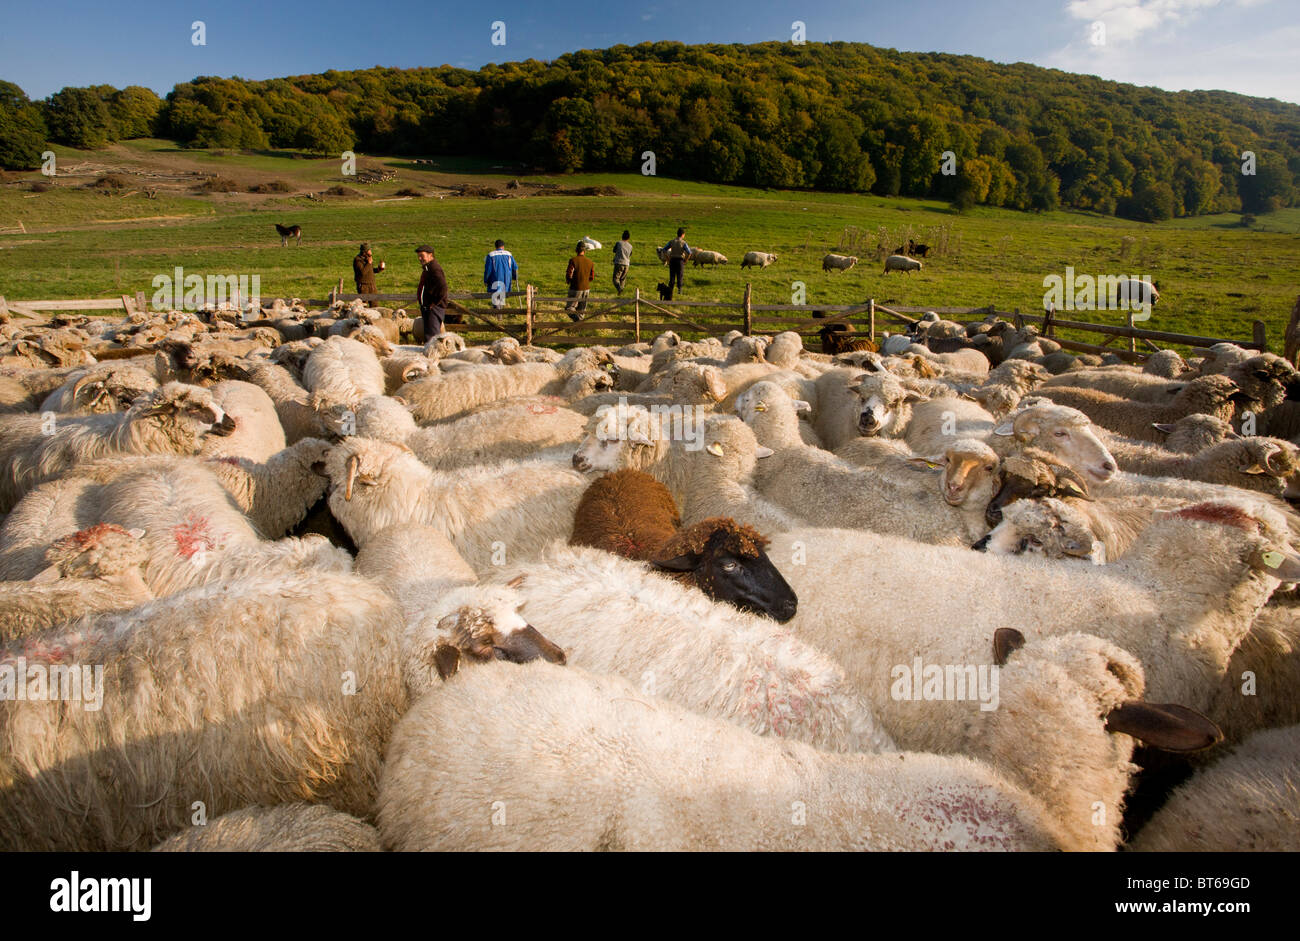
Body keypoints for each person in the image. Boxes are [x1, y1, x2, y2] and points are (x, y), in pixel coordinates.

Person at [414, 244, 449, 340]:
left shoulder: (434, 269)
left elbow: (443, 287)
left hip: (433, 308)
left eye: (422, 256)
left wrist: (434, 303)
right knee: (430, 336)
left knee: (432, 337)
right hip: (428, 307)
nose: (420, 258)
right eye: (419, 256)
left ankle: (434, 354)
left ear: (430, 255)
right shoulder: (428, 268)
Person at [564, 241, 596, 321]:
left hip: (576, 288)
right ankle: (580, 328)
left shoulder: (573, 260)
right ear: (584, 251)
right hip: (586, 289)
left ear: (576, 250)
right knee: (581, 311)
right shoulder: (590, 262)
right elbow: (592, 277)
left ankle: (578, 322)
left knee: (569, 308)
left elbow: (569, 274)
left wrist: (569, 281)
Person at [483, 239, 519, 308]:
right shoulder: (509, 254)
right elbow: (515, 267)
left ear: (495, 246)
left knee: (496, 295)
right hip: (506, 278)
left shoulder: (491, 255)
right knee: (502, 294)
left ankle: (497, 313)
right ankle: (500, 313)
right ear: (503, 246)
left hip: (495, 277)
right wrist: (515, 277)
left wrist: (486, 280)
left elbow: (488, 270)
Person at [661, 227, 691, 299]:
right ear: (683, 235)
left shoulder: (671, 242)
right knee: (680, 275)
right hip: (680, 261)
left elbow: (664, 249)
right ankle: (679, 290)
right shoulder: (684, 243)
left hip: (672, 260)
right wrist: (685, 260)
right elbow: (689, 252)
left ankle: (670, 290)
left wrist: (668, 259)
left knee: (672, 276)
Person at [611, 230, 632, 296]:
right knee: (623, 279)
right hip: (627, 264)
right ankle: (621, 291)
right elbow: (630, 254)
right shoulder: (630, 246)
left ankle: (619, 289)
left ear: (622, 236)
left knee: (615, 279)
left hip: (619, 263)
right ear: (629, 238)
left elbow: (614, 250)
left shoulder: (619, 243)